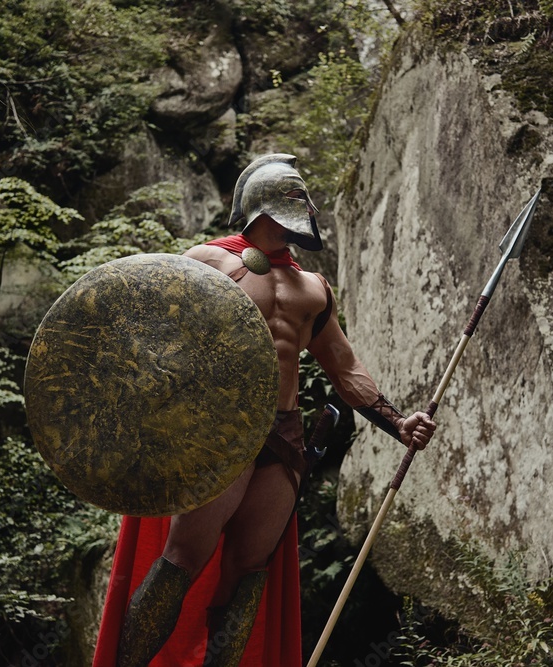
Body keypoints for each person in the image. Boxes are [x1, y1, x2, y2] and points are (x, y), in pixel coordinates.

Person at [91, 153, 436, 667]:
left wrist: (397, 423)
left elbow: (345, 368)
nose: (296, 221)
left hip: (284, 435)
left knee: (249, 568)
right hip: (220, 428)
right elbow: (151, 340)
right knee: (184, 559)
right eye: (285, 209)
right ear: (259, 209)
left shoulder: (312, 289)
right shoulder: (205, 261)